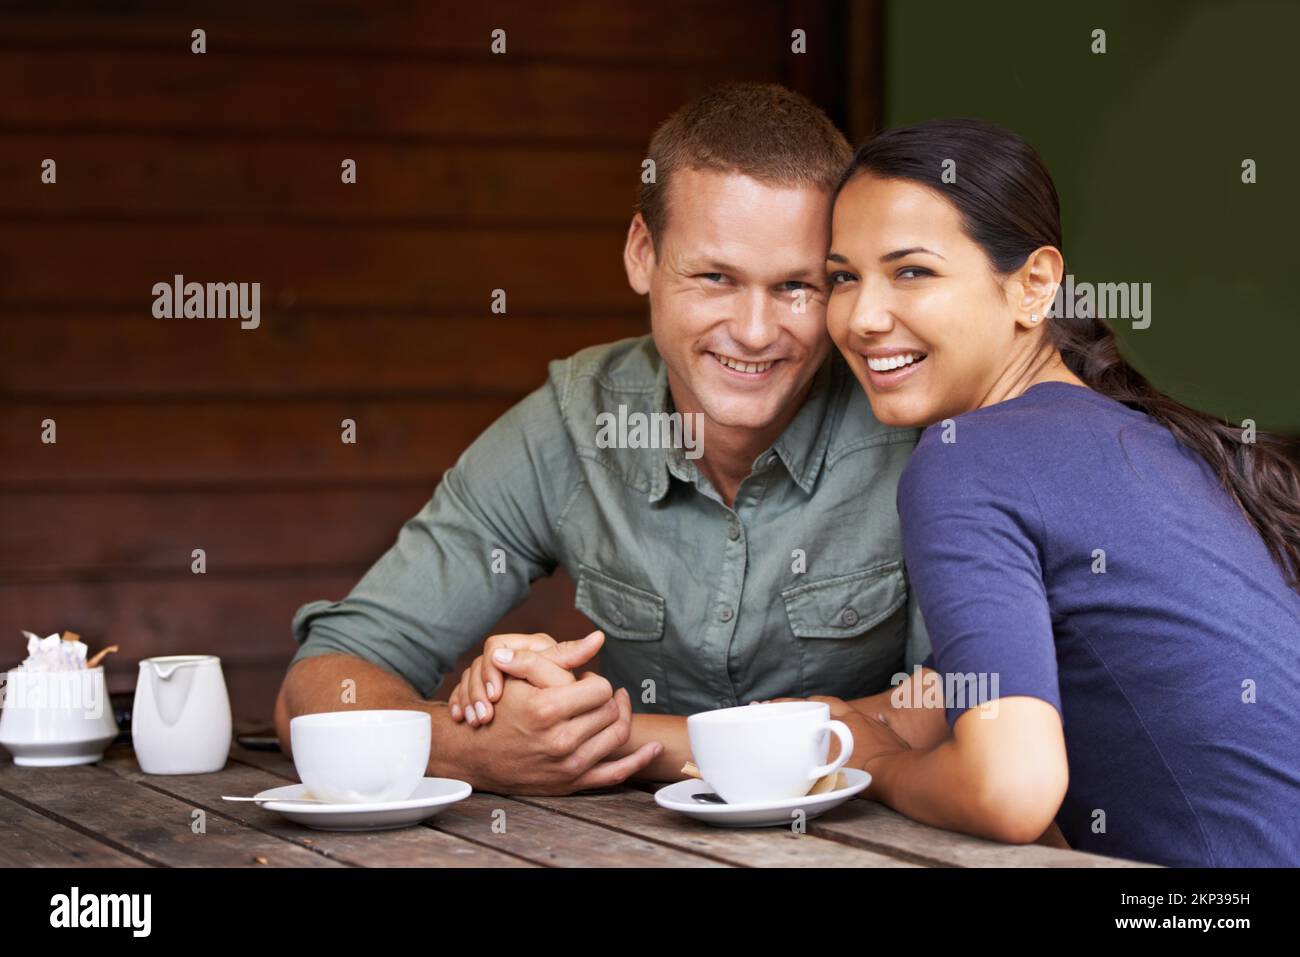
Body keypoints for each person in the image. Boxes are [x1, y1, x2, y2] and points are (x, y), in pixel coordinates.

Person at [276, 83, 930, 796]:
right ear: (643, 254)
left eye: (796, 286)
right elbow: (320, 684)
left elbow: (957, 712)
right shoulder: (569, 422)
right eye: (715, 276)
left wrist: (602, 735)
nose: (753, 330)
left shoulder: (916, 427)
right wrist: (474, 747)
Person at [815, 118, 1300, 866]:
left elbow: (1009, 786)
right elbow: (932, 708)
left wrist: (877, 769)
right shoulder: (1144, 439)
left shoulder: (964, 458)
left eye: (911, 271)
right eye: (843, 276)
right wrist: (632, 733)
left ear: (1034, 284)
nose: (862, 316)